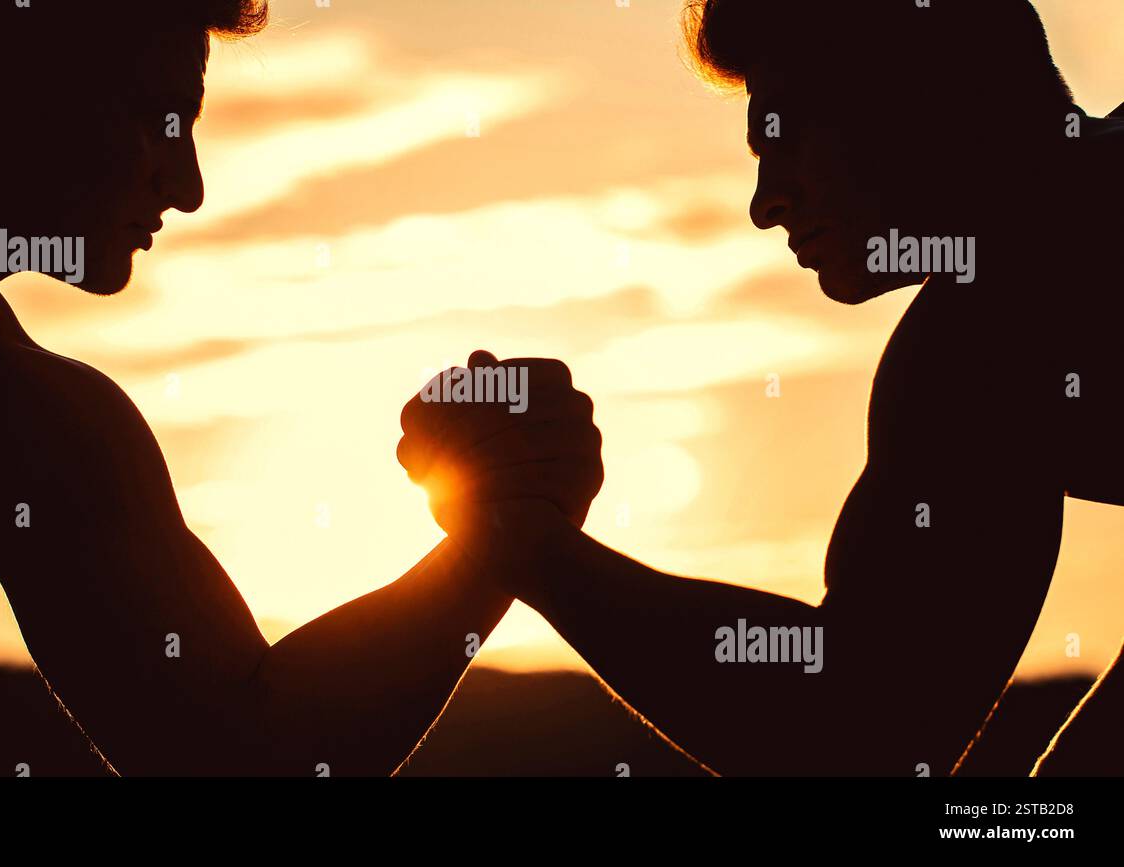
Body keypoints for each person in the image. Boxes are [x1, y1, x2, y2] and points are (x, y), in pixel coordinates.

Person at [0, 0, 603, 775]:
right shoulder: (19, 425)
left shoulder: (29, 431)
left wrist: (500, 537)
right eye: (157, 114)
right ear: (17, 81)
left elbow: (241, 750)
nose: (190, 186)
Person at [400, 0, 1124, 775]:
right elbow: (871, 715)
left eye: (785, 137)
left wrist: (531, 550)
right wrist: (534, 551)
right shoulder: (983, 347)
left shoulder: (978, 340)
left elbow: (853, 729)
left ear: (914, 96)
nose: (764, 203)